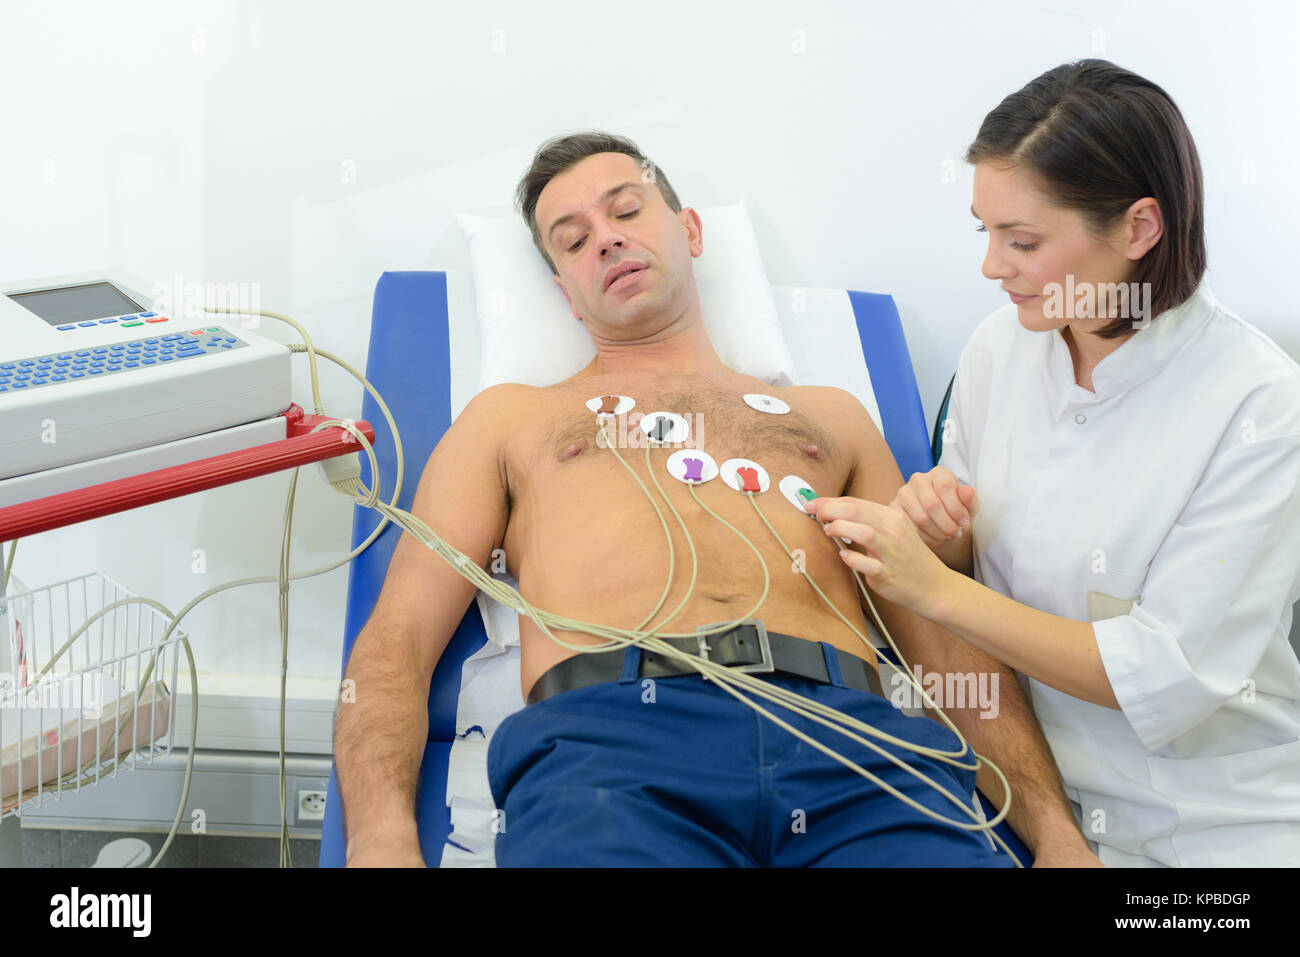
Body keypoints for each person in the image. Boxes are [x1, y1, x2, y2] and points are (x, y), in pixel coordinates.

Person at [334, 130, 1101, 867]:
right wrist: (381, 842)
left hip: (854, 745)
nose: (605, 238)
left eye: (627, 210)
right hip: (612, 749)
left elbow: (941, 628)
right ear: (565, 293)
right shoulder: (512, 420)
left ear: (690, 230)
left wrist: (1059, 837)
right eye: (572, 240)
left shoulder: (829, 417)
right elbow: (396, 639)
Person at [807, 60, 1300, 867]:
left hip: (1212, 821)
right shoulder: (1002, 347)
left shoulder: (1259, 405)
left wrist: (937, 588)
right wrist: (944, 537)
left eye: (1023, 240)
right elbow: (978, 555)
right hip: (1018, 786)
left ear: (1140, 228)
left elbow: (1164, 676)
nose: (992, 266)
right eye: (986, 232)